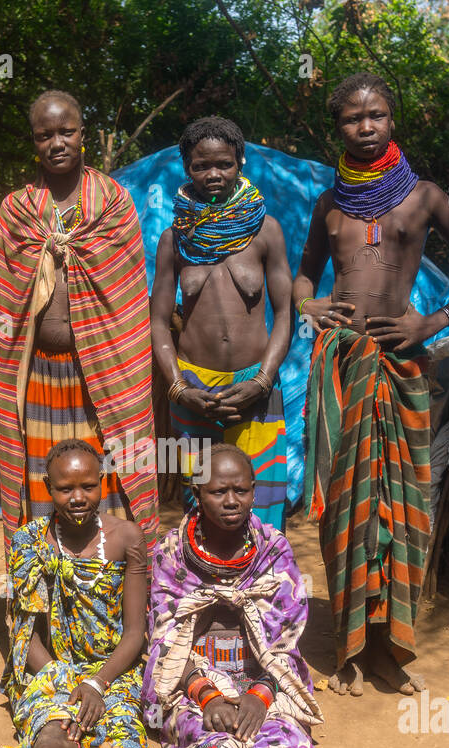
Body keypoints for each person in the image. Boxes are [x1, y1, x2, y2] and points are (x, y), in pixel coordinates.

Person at [294, 73, 449, 697]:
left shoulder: (424, 198)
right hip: (342, 370)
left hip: (403, 369)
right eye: (352, 119)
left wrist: (433, 320)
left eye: (377, 116)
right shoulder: (328, 205)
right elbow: (304, 278)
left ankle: (390, 649)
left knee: (403, 511)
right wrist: (309, 306)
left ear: (392, 121)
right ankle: (349, 647)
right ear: (338, 129)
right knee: (344, 511)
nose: (365, 128)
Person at [144, 444, 343, 748]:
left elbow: (287, 640)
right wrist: (207, 694)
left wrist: (262, 693)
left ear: (255, 491)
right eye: (218, 491)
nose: (231, 501)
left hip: (263, 677)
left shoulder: (273, 550)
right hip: (193, 680)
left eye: (241, 490)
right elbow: (164, 640)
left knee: (279, 738)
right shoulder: (171, 554)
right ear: (196, 495)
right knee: (209, 740)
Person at [0, 89, 159, 553]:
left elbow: (126, 300)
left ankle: (112, 594)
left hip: (102, 378)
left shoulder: (111, 202)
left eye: (66, 131)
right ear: (34, 142)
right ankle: (43, 595)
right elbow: (5, 302)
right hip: (38, 375)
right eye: (45, 135)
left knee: (103, 480)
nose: (57, 142)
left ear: (83, 134)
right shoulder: (18, 210)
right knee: (45, 483)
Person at [0, 439, 150, 748]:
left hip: (115, 669)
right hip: (53, 669)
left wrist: (97, 683)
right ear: (48, 489)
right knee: (55, 727)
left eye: (88, 487)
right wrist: (64, 682)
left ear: (103, 483)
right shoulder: (29, 542)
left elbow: (135, 632)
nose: (78, 498)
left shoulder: (128, 537)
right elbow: (23, 630)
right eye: (65, 489)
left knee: (119, 730)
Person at [149, 116, 292, 529]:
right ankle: (204, 592)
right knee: (203, 503)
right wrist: (178, 387)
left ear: (240, 161)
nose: (213, 174)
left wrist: (263, 380)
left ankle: (259, 592)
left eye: (224, 164)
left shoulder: (266, 232)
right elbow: (159, 322)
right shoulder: (174, 240)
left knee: (262, 502)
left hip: (257, 388)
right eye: (200, 166)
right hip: (194, 391)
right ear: (186, 168)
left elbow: (285, 314)